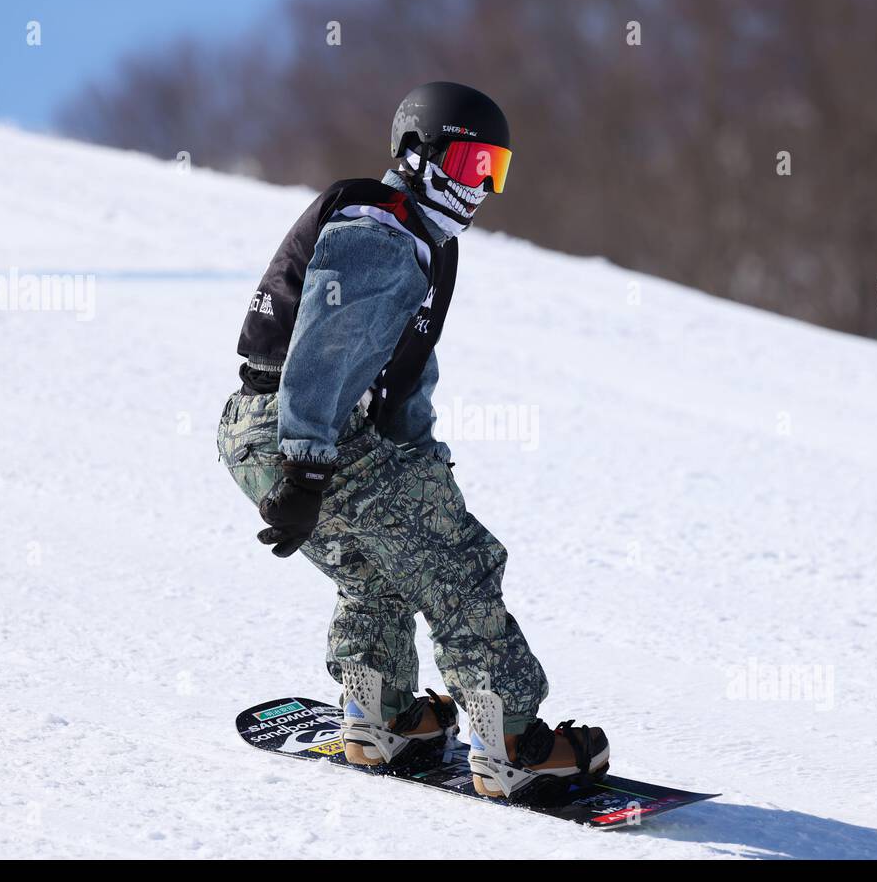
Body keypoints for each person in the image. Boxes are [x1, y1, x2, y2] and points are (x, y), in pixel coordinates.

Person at [218, 82, 608, 798]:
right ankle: (511, 740)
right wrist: (305, 468)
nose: (480, 187)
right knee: (459, 566)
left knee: (378, 565)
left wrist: (421, 463)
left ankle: (380, 711)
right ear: (415, 154)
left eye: (494, 169)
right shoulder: (380, 230)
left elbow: (404, 375)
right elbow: (324, 349)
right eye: (466, 164)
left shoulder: (422, 242)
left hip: (270, 428)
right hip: (308, 428)